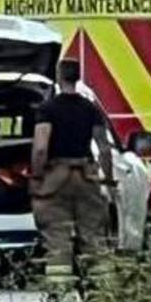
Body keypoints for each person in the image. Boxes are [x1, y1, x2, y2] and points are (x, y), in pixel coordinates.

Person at [30, 59, 115, 283]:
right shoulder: (91, 109)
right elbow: (104, 148)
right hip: (86, 175)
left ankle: (61, 293)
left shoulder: (47, 109)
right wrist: (107, 179)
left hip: (57, 176)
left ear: (58, 76)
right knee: (94, 235)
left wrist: (37, 177)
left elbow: (40, 148)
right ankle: (105, 291)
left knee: (58, 237)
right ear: (78, 77)